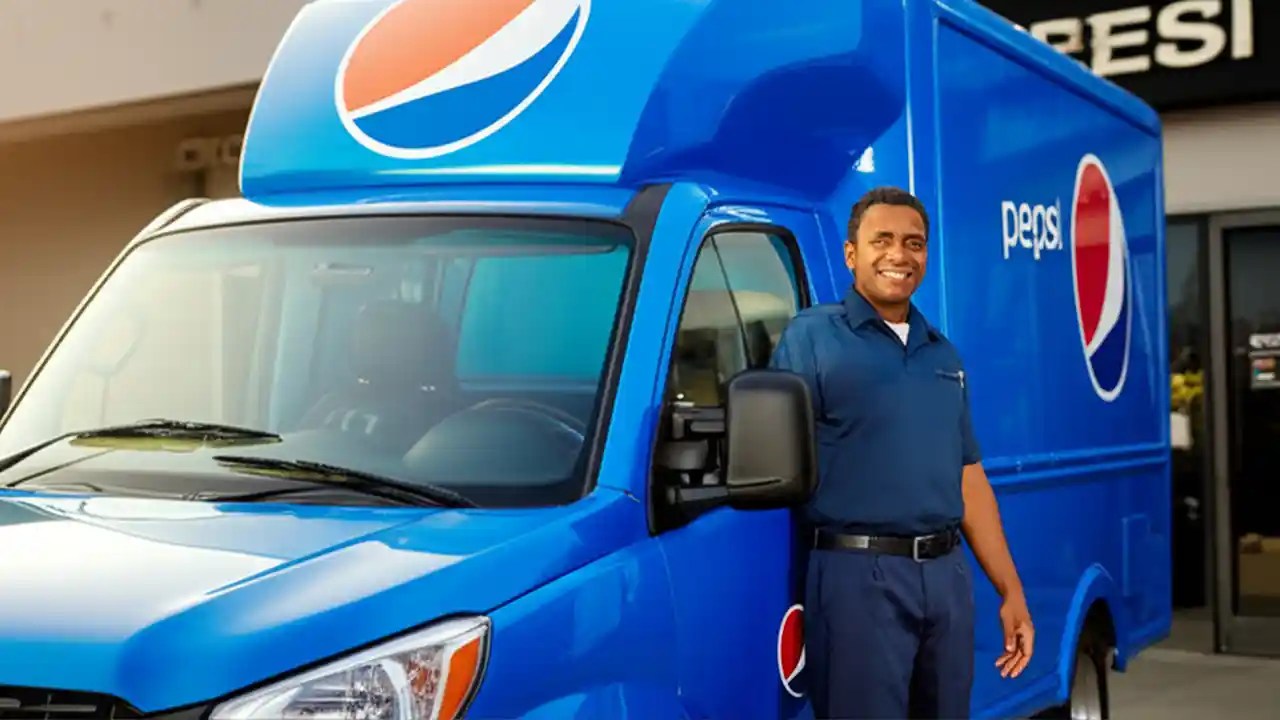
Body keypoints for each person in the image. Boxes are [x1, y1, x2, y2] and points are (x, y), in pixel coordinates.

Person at [770, 186, 1032, 719]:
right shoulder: (811, 339)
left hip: (946, 577)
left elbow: (969, 479)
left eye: (913, 243)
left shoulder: (944, 355)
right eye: (882, 240)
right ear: (851, 254)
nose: (899, 254)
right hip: (855, 576)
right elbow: (774, 458)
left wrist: (1011, 590)